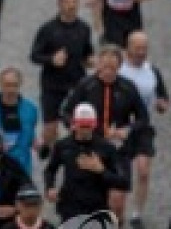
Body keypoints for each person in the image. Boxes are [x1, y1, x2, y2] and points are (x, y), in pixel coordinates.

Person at [58, 46, 151, 220]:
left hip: (118, 150)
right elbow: (65, 111)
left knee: (117, 204)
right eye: (104, 67)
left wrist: (128, 129)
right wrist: (76, 126)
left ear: (119, 67)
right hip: (92, 148)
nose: (108, 72)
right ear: (98, 65)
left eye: (112, 68)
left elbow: (143, 118)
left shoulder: (128, 87)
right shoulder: (86, 85)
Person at [30, 0, 95, 161]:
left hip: (76, 84)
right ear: (59, 4)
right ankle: (51, 156)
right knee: (50, 129)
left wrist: (90, 61)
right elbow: (34, 55)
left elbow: (87, 52)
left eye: (74, 2)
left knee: (78, 126)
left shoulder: (84, 28)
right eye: (67, 2)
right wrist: (52, 59)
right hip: (52, 85)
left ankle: (75, 158)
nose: (71, 6)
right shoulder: (48, 29)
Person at [44, 103, 129, 222]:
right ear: (74, 124)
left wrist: (101, 170)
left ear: (94, 125)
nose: (85, 130)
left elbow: (123, 182)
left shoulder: (106, 148)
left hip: (96, 208)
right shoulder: (63, 146)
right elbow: (50, 169)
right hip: (70, 208)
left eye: (88, 126)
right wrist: (49, 187)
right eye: (82, 126)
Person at [118, 31, 169, 227]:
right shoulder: (119, 70)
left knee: (144, 170)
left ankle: (137, 213)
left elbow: (163, 97)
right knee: (120, 177)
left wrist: (162, 105)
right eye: (137, 48)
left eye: (144, 48)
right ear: (128, 48)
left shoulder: (152, 71)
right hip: (121, 130)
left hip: (143, 128)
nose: (141, 52)